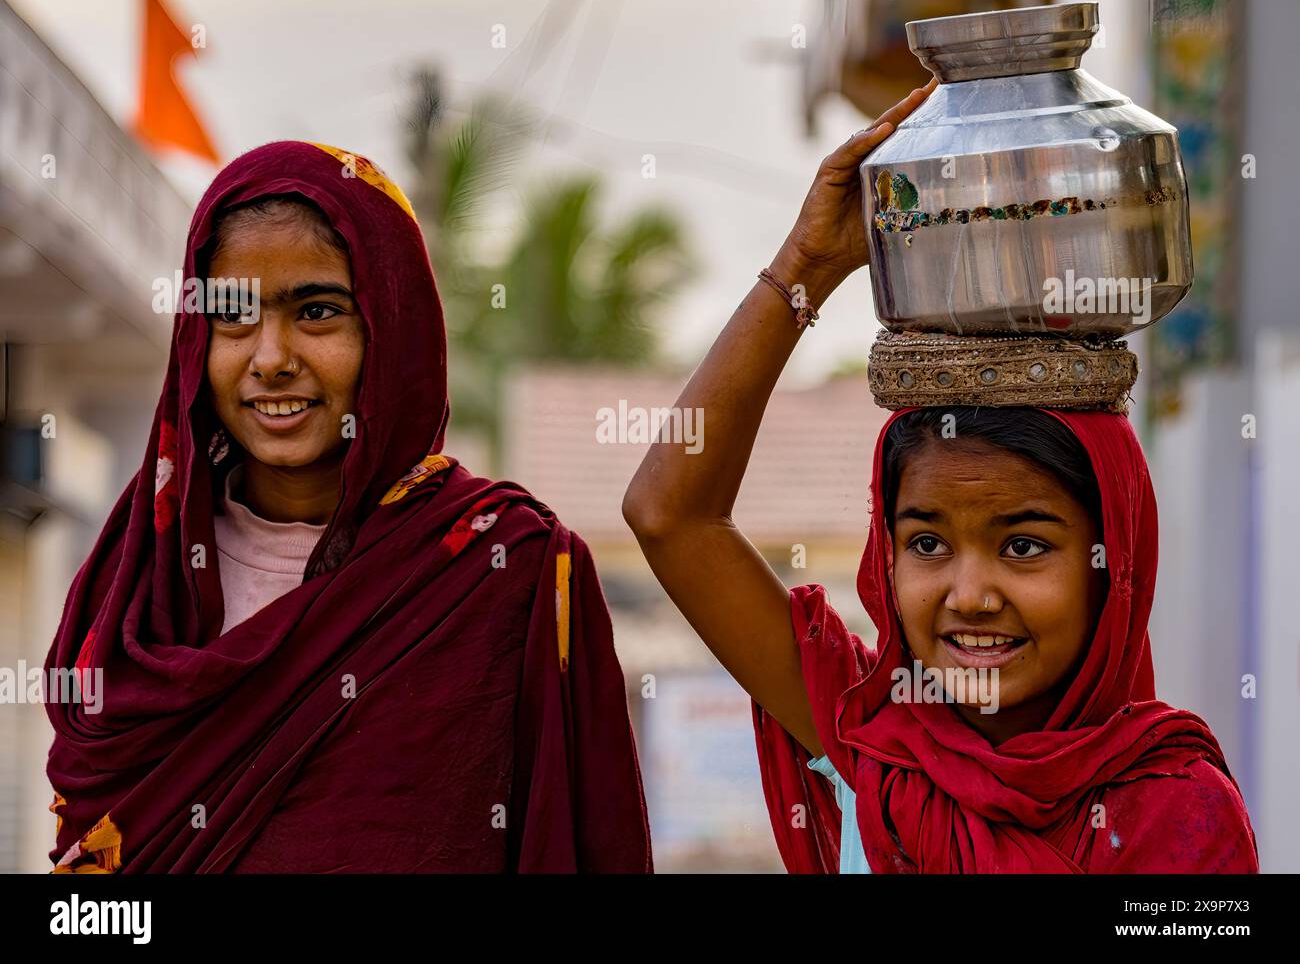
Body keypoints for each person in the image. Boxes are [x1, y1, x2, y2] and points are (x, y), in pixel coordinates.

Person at [622, 81, 1258, 873]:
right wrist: (807, 266)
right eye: (926, 541)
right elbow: (668, 515)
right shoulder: (872, 743)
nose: (970, 593)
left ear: (1114, 563)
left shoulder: (1179, 814)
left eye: (1024, 546)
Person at [44, 141, 651, 873]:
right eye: (233, 316)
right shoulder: (137, 582)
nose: (270, 356)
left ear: (390, 328)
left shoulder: (502, 571)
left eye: (318, 311)